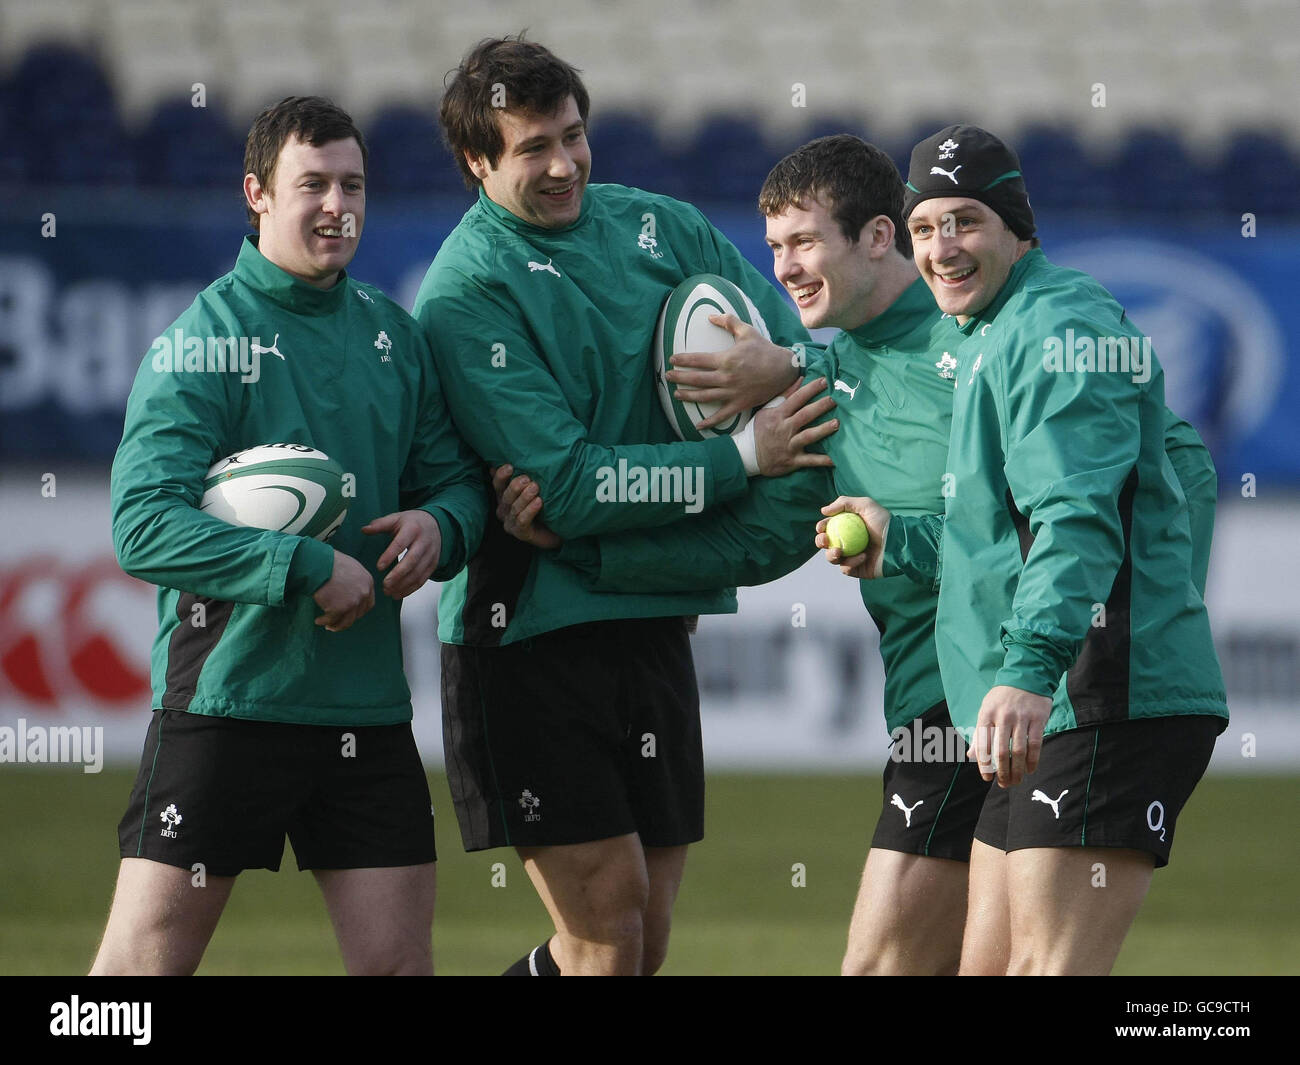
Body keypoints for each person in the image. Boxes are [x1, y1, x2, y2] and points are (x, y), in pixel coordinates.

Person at [502, 133, 1220, 976]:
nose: (786, 268)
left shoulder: (1019, 330)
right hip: (960, 699)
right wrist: (587, 550)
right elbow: (759, 540)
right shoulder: (836, 374)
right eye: (774, 247)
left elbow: (1157, 480)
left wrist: (1132, 623)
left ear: (876, 237)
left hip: (1060, 683)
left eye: (804, 241)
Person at [411, 36, 835, 977]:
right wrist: (739, 458)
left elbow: (794, 388)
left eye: (573, 135)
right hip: (525, 632)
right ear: (479, 161)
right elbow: (565, 485)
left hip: (652, 626)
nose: (564, 164)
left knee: (640, 946)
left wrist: (782, 390)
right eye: (532, 148)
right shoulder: (465, 292)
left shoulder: (666, 229)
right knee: (605, 937)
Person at [90, 96, 487, 976]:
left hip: (367, 713)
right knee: (139, 975)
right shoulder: (202, 343)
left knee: (397, 969)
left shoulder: (396, 335)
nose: (337, 204)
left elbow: (458, 484)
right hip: (229, 704)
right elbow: (143, 525)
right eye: (313, 184)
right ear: (257, 194)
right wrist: (305, 565)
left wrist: (442, 526)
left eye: (353, 184)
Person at [829, 125, 1228, 975]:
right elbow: (1182, 467)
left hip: (1097, 693)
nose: (942, 247)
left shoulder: (1057, 325)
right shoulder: (990, 333)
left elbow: (1077, 515)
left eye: (966, 221)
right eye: (926, 226)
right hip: (1052, 699)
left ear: (1020, 228)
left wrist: (1032, 663)